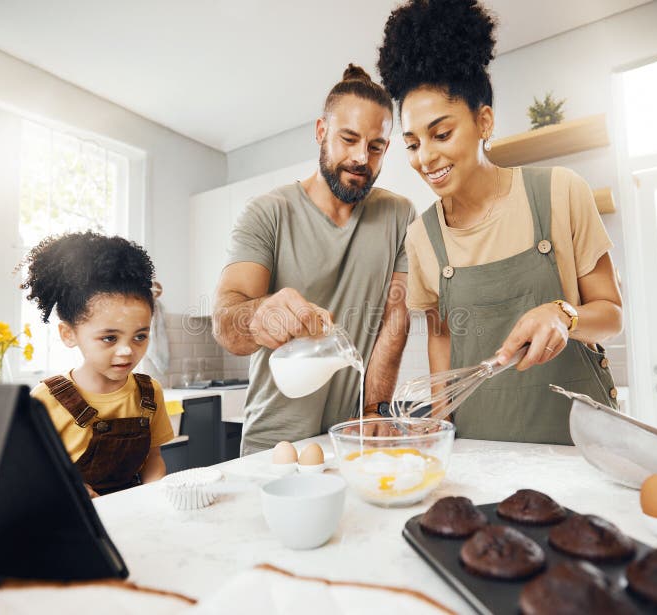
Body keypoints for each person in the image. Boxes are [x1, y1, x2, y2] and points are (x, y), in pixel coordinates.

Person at [377, 0, 623, 444]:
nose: (425, 158)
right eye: (412, 144)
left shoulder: (561, 192)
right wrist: (439, 422)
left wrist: (562, 314)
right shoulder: (421, 237)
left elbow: (611, 316)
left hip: (578, 442)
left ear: (484, 121)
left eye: (442, 133)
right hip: (480, 445)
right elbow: (441, 338)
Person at [214, 64, 416, 455]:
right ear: (321, 131)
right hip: (274, 444)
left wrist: (375, 409)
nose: (361, 158)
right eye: (349, 139)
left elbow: (395, 318)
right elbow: (226, 323)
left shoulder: (400, 215)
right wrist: (257, 317)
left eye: (375, 146)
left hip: (350, 439)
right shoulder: (267, 212)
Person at [22, 231, 174, 496]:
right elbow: (30, 477)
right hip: (73, 521)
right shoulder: (44, 401)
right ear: (69, 334)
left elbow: (153, 460)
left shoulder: (150, 393)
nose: (127, 351)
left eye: (140, 336)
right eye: (109, 338)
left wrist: (154, 499)